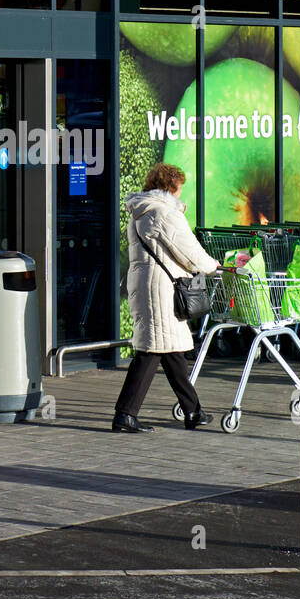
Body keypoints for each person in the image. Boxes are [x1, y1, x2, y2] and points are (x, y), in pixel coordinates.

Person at [113, 163, 222, 433]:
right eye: (179, 187)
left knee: (170, 350)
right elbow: (189, 252)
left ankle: (193, 411)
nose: (180, 193)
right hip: (160, 290)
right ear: (170, 187)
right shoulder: (163, 213)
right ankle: (125, 415)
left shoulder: (143, 210)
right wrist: (213, 266)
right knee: (151, 351)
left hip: (149, 286)